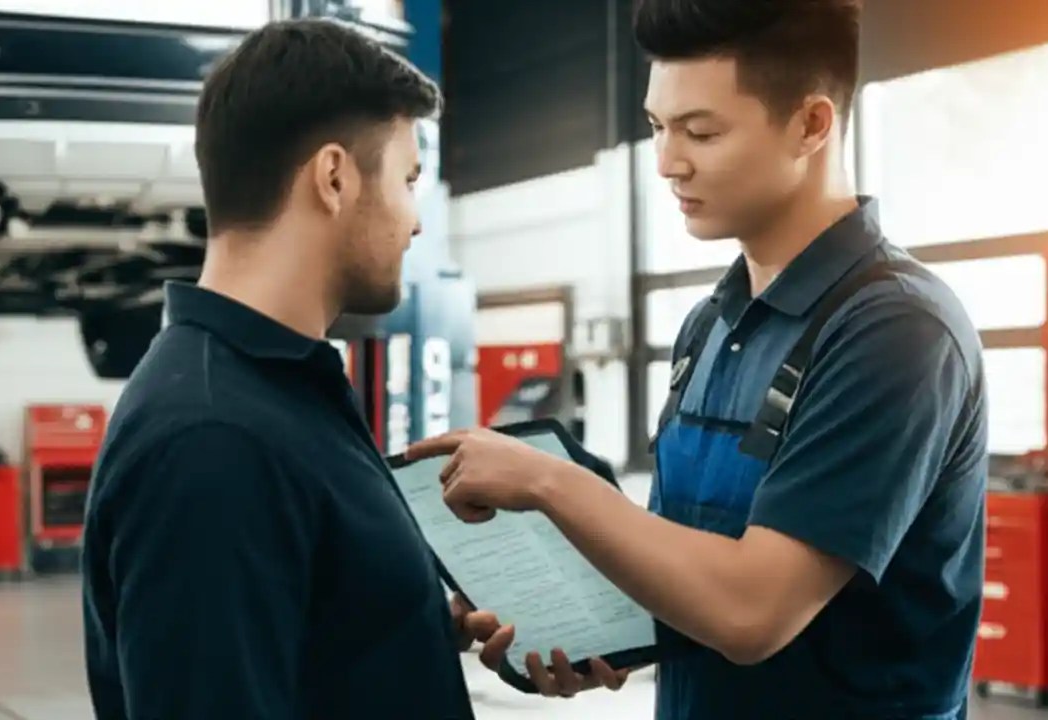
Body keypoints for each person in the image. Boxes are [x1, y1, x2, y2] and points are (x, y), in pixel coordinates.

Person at [411, 1, 989, 718]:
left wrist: (550, 484)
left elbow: (752, 612)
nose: (665, 162)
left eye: (701, 131)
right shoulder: (709, 325)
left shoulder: (896, 330)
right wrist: (588, 623)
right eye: (657, 127)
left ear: (811, 124)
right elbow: (688, 570)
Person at [81, 19, 479, 720]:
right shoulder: (213, 438)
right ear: (334, 177)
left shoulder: (277, 388)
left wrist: (409, 626)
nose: (416, 222)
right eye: (409, 181)